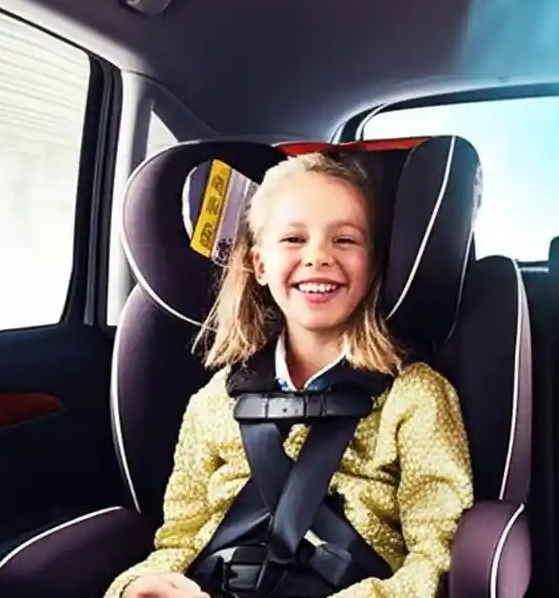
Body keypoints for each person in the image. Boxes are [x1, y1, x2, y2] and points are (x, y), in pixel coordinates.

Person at [107, 151, 474, 598]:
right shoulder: (214, 402)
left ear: (373, 265)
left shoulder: (414, 396)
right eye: (293, 239)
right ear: (260, 265)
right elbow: (180, 540)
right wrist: (138, 587)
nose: (318, 256)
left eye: (345, 240)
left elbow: (438, 556)